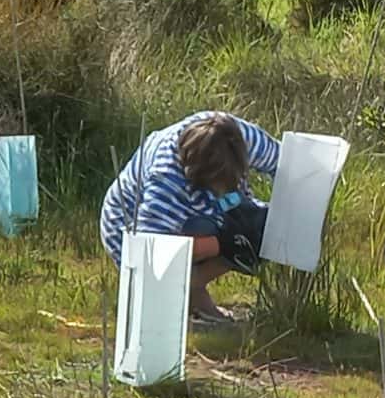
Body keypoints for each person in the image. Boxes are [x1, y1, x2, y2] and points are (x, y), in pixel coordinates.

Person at [98, 111, 279, 323]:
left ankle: (193, 294)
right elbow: (150, 252)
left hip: (198, 211)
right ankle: (185, 290)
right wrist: (221, 245)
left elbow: (290, 166)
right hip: (129, 230)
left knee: (257, 228)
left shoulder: (243, 138)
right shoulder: (166, 181)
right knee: (237, 239)